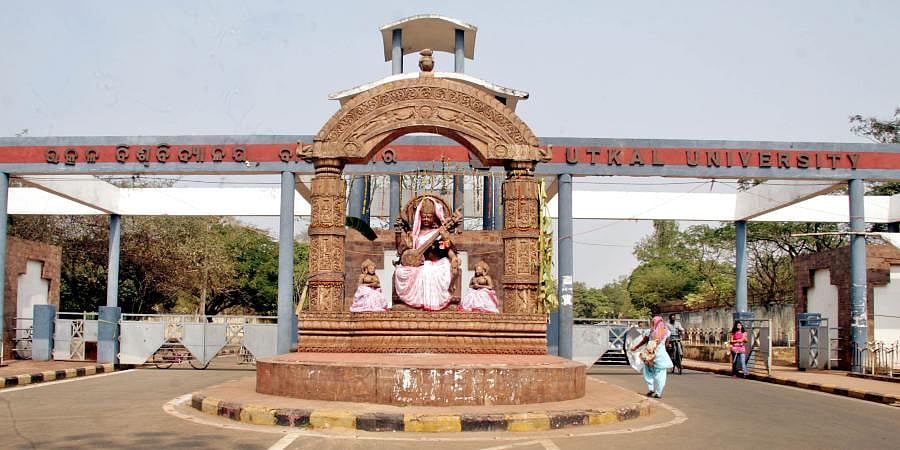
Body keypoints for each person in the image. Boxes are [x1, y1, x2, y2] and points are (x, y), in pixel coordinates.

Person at [394, 196, 461, 311]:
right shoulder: (415, 233)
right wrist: (399, 235)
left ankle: (432, 303)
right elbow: (401, 251)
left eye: (428, 217)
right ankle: (412, 303)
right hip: (417, 264)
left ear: (434, 217)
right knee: (400, 271)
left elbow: (446, 249)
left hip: (436, 262)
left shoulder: (438, 232)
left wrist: (446, 240)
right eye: (423, 216)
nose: (425, 219)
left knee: (428, 270)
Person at [630, 315, 674, 398]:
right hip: (661, 355)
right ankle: (658, 393)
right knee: (661, 374)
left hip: (649, 355)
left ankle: (651, 388)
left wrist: (635, 347)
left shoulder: (649, 332)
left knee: (648, 372)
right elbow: (667, 344)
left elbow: (643, 341)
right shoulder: (667, 332)